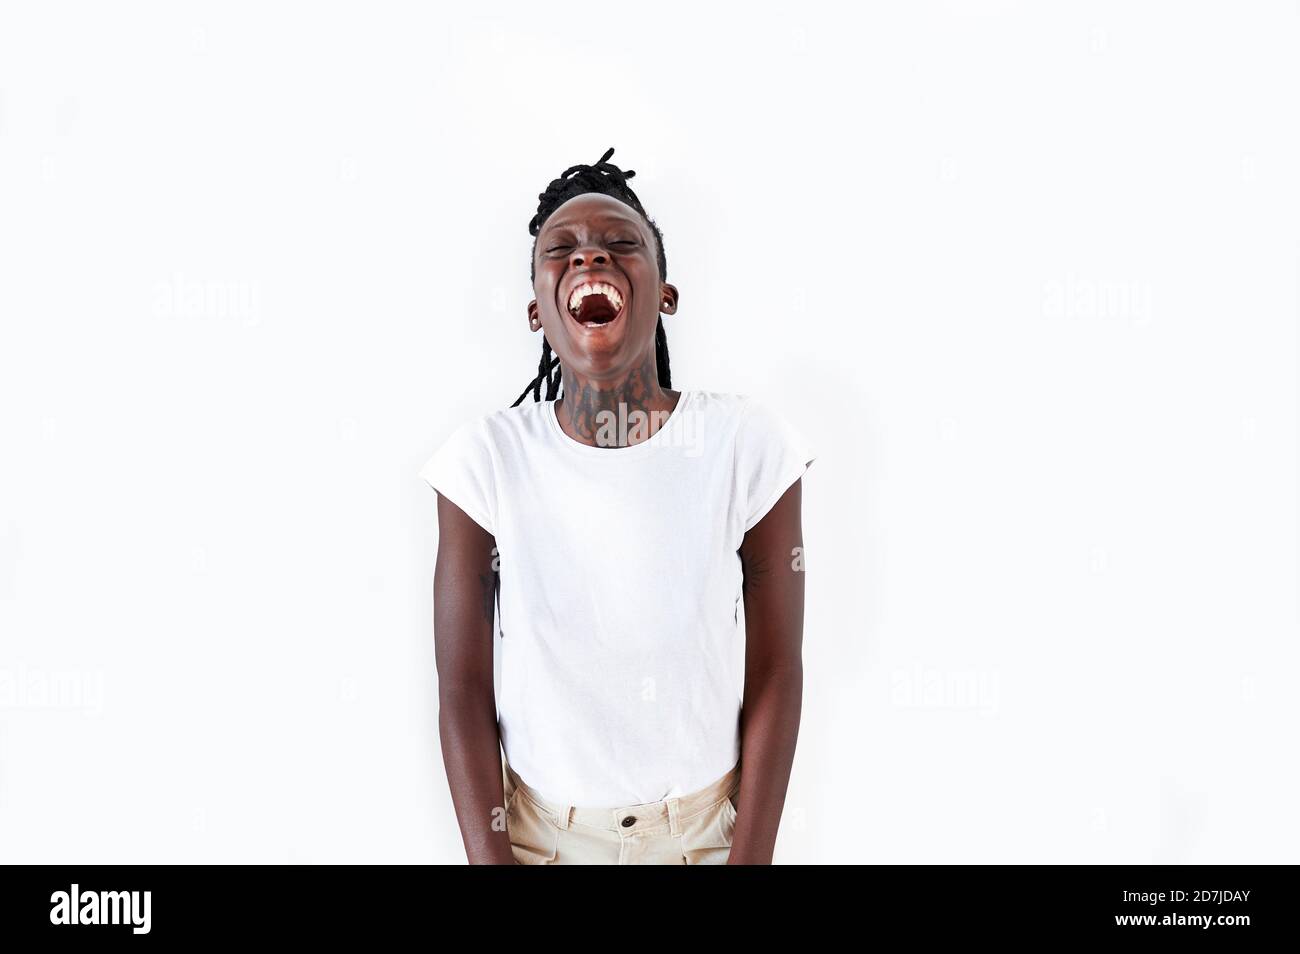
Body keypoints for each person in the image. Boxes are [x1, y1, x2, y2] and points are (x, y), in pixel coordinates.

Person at [421, 148, 815, 864]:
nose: (588, 257)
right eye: (562, 250)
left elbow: (778, 671)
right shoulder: (485, 463)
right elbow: (463, 689)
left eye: (620, 243)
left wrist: (749, 858)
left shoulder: (746, 446)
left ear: (664, 293)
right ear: (538, 310)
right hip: (542, 841)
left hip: (705, 838)